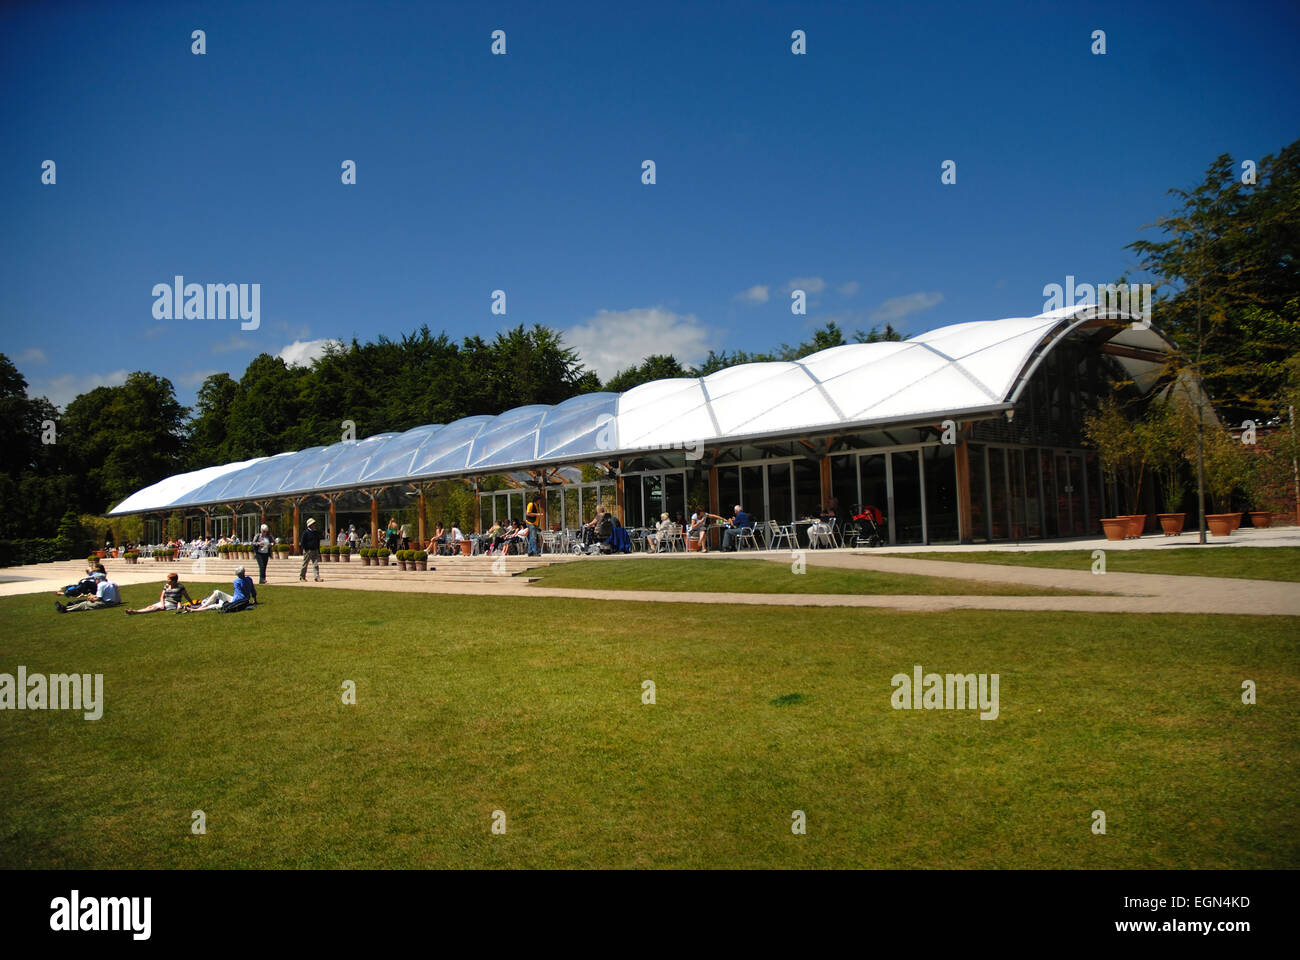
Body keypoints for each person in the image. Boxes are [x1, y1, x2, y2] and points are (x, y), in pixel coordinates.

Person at [183, 566, 258, 613]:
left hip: (236, 601)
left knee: (214, 605)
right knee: (217, 592)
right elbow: (253, 590)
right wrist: (254, 599)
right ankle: (201, 606)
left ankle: (194, 610)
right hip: (241, 600)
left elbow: (239, 595)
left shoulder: (236, 581)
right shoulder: (249, 579)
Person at [125, 572, 193, 614]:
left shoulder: (180, 587)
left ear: (174, 581)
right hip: (165, 602)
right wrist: (162, 604)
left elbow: (186, 596)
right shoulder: (166, 586)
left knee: (156, 608)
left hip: (173, 603)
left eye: (169, 579)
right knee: (150, 606)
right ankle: (135, 611)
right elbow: (162, 596)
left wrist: (192, 603)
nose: (167, 580)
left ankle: (136, 612)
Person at [56, 573, 121, 612]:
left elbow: (99, 598)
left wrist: (91, 599)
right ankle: (68, 607)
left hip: (107, 603)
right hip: (110, 602)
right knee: (86, 602)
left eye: (95, 579)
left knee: (85, 604)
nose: (94, 580)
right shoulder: (107, 584)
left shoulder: (101, 585)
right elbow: (101, 596)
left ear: (98, 579)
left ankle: (66, 609)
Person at [300, 517, 323, 582]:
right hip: (308, 551)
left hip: (315, 550)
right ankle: (302, 577)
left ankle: (317, 577)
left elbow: (318, 541)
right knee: (305, 564)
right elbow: (302, 542)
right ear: (310, 525)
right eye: (313, 524)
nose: (314, 525)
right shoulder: (305, 533)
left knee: (316, 564)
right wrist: (306, 549)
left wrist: (318, 550)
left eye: (314, 524)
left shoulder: (316, 532)